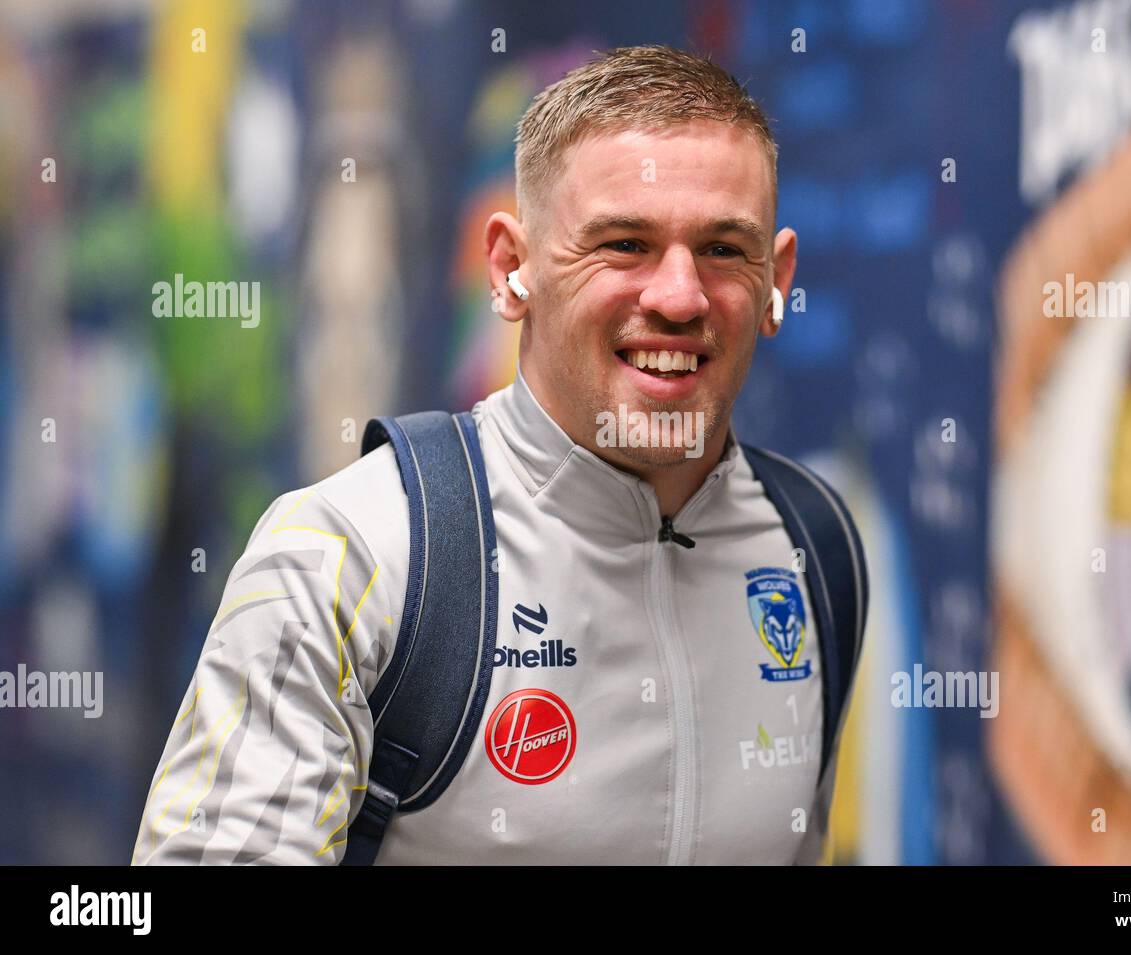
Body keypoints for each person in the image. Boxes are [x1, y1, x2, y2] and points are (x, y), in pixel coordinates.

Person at [132, 43, 864, 865]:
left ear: (777, 278)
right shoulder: (348, 556)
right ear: (512, 270)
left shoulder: (815, 550)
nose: (679, 295)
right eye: (624, 244)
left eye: (725, 249)